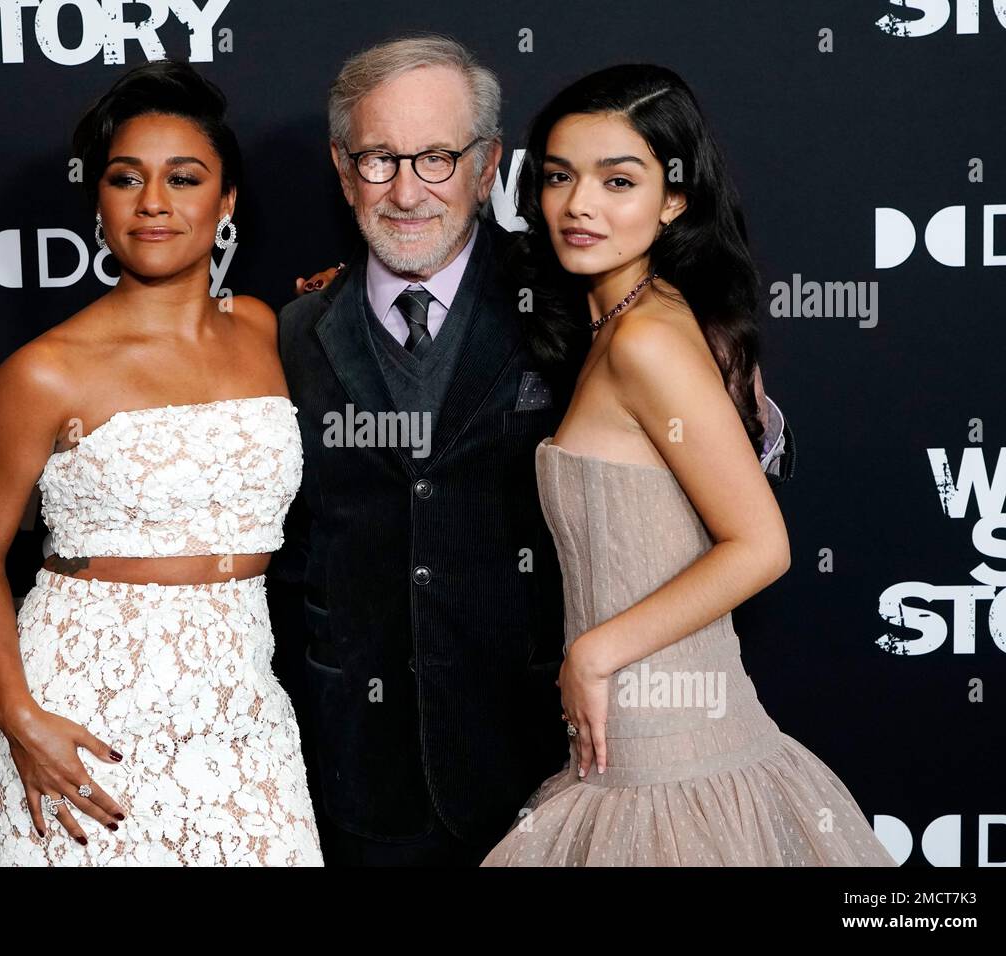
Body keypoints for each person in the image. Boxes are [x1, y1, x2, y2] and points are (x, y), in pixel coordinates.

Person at [272, 35, 792, 866]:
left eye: (438, 157)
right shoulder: (295, 330)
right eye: (378, 159)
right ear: (344, 170)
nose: (407, 190)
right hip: (367, 773)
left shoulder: (570, 296)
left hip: (550, 752)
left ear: (487, 168)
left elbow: (721, 469)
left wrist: (740, 389)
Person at [480, 64, 895, 866]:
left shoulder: (648, 340)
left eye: (618, 179)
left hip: (666, 747)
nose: (579, 204)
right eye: (560, 176)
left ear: (674, 199)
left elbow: (760, 544)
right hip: (633, 739)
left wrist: (593, 653)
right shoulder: (635, 320)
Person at [0, 59, 322, 866]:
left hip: (242, 698)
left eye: (183, 179)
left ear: (224, 205)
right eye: (127, 179)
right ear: (99, 203)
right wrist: (20, 715)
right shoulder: (44, 372)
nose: (154, 203)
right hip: (81, 709)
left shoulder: (261, 327)